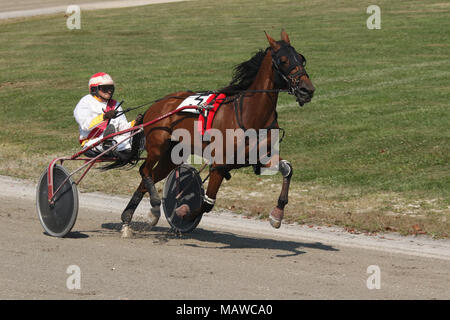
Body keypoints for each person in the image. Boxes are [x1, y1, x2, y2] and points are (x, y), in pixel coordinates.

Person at [73, 72, 142, 159]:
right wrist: (104, 117)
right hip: (90, 143)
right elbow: (85, 125)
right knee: (115, 142)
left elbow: (122, 128)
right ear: (94, 89)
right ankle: (107, 144)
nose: (109, 91)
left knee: (133, 139)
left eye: (111, 88)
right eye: (105, 88)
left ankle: (110, 144)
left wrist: (135, 123)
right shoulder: (85, 102)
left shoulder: (115, 104)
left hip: (115, 140)